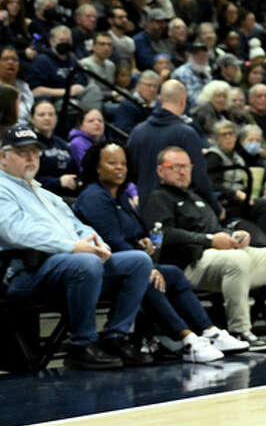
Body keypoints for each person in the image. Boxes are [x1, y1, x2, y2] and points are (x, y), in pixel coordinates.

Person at [73, 143, 247, 362]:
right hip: (100, 268)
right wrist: (149, 265)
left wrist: (142, 242)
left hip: (130, 262)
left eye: (123, 164)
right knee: (148, 277)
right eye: (112, 163)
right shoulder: (94, 197)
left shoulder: (122, 197)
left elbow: (135, 233)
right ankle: (186, 339)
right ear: (97, 167)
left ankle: (209, 331)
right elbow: (113, 241)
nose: (120, 168)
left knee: (171, 273)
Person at [0, 124, 154, 369]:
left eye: (35, 152)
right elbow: (16, 232)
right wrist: (72, 246)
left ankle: (116, 336)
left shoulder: (43, 192)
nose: (31, 158)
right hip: (25, 274)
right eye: (22, 152)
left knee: (138, 261)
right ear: (3, 157)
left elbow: (78, 225)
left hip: (68, 265)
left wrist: (98, 244)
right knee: (85, 261)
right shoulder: (2, 189)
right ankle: (82, 344)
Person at [140, 145, 266, 351]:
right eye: (175, 166)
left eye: (186, 166)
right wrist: (210, 239)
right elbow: (165, 234)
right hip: (190, 264)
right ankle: (240, 330)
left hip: (222, 258)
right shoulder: (158, 198)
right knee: (237, 260)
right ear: (161, 170)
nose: (182, 171)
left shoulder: (195, 197)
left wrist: (235, 236)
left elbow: (216, 230)